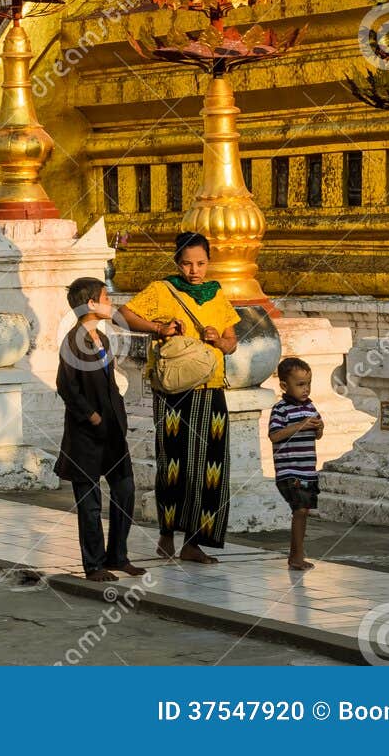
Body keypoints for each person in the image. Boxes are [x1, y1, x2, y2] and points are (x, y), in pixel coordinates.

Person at [121, 231, 239, 565]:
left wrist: (219, 341)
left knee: (210, 467)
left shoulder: (217, 295)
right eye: (187, 263)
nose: (194, 270)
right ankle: (166, 534)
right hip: (173, 391)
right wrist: (158, 329)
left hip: (210, 389)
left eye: (200, 263)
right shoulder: (162, 290)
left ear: (209, 262)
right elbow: (123, 314)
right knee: (173, 465)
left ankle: (194, 541)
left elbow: (233, 341)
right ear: (177, 263)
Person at [55, 276, 145, 583]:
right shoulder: (72, 342)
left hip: (112, 429)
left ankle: (117, 555)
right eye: (106, 298)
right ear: (91, 304)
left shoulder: (103, 340)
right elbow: (65, 386)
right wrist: (90, 416)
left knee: (125, 490)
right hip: (86, 433)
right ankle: (93, 565)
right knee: (90, 503)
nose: (110, 304)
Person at [268, 357, 324, 571]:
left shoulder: (311, 407)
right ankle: (296, 556)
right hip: (289, 469)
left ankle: (296, 555)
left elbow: (318, 435)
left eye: (308, 384)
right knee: (300, 510)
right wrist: (300, 426)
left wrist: (319, 427)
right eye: (300, 384)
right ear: (284, 385)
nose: (305, 389)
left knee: (303, 511)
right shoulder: (280, 409)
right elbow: (275, 436)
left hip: (307, 470)